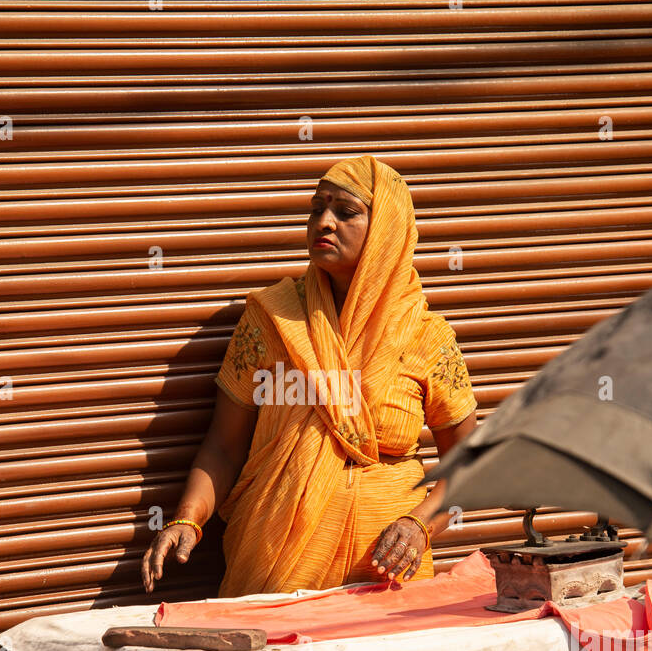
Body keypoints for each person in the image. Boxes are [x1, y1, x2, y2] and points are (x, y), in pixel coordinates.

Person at [142, 155, 478, 598]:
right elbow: (223, 448)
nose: (324, 222)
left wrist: (419, 525)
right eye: (317, 207)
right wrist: (188, 517)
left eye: (346, 211)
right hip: (273, 568)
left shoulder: (425, 338)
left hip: (389, 580)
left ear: (386, 230)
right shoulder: (272, 320)